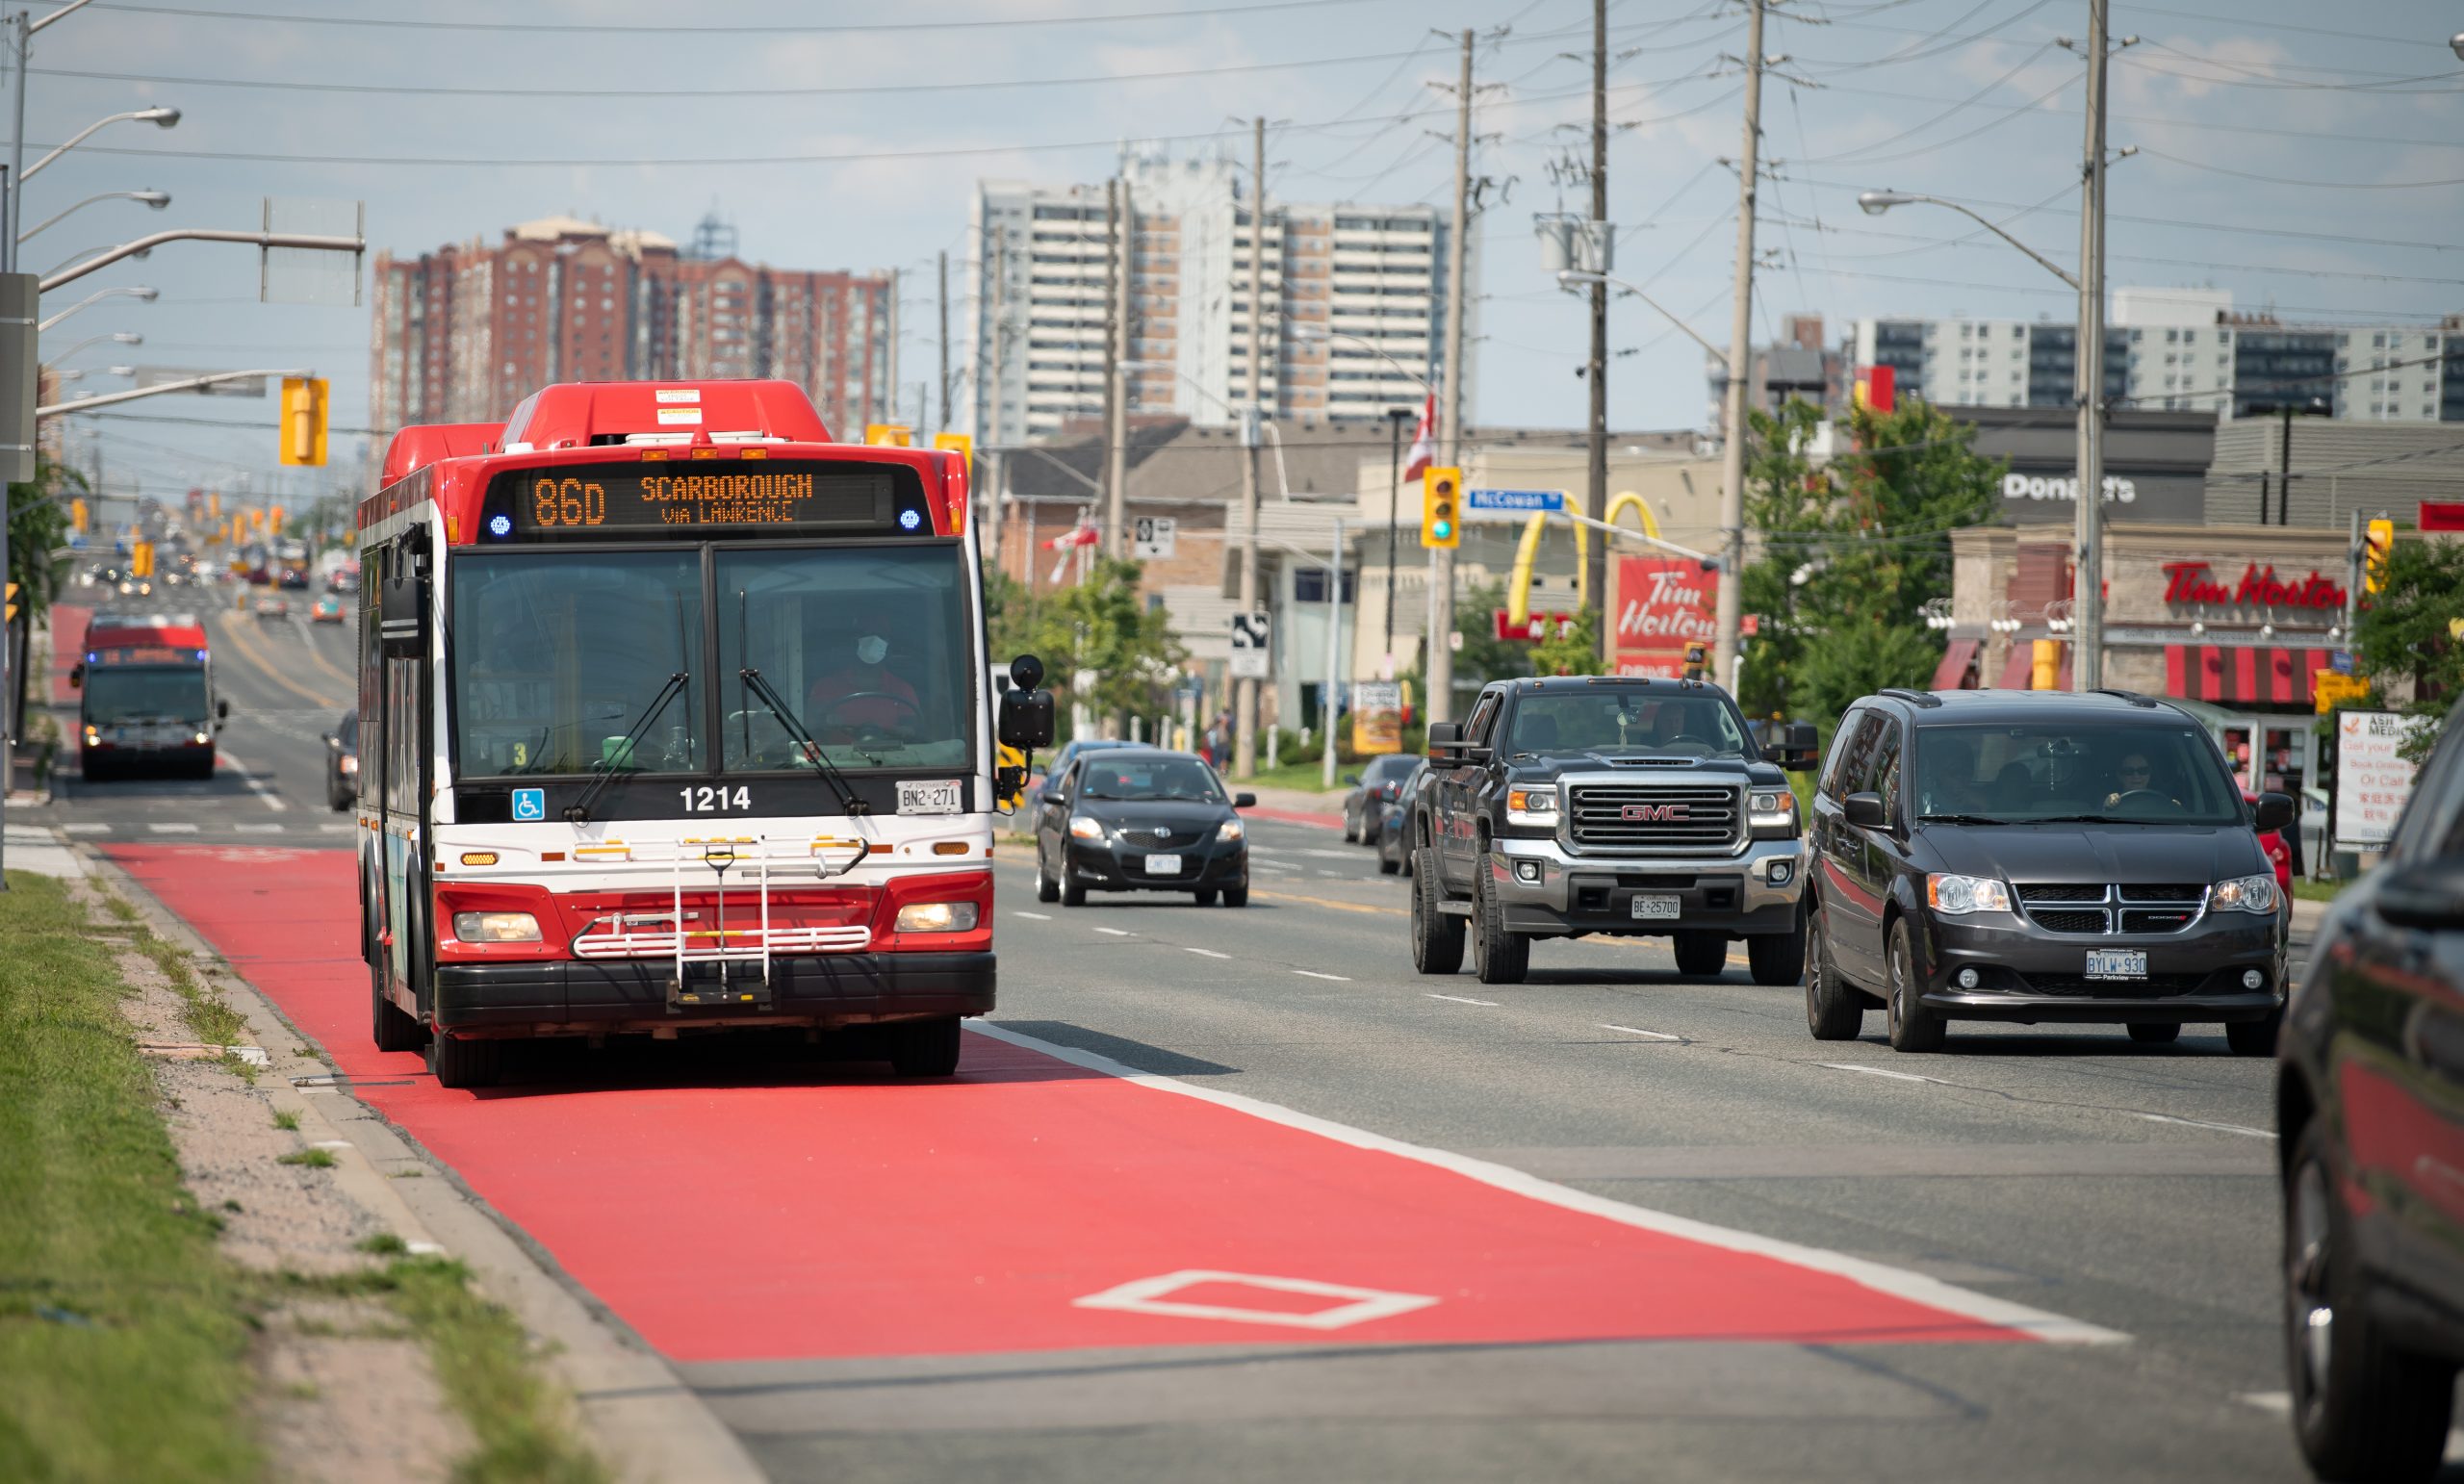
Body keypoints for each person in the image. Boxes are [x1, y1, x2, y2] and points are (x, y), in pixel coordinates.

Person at [806, 628, 918, 741]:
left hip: (893, 753)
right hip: (835, 752)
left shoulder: (902, 689)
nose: (874, 641)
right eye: (865, 634)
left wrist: (902, 731)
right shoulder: (826, 686)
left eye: (881, 635)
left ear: (889, 644)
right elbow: (812, 728)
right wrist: (826, 722)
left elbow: (912, 731)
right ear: (853, 642)